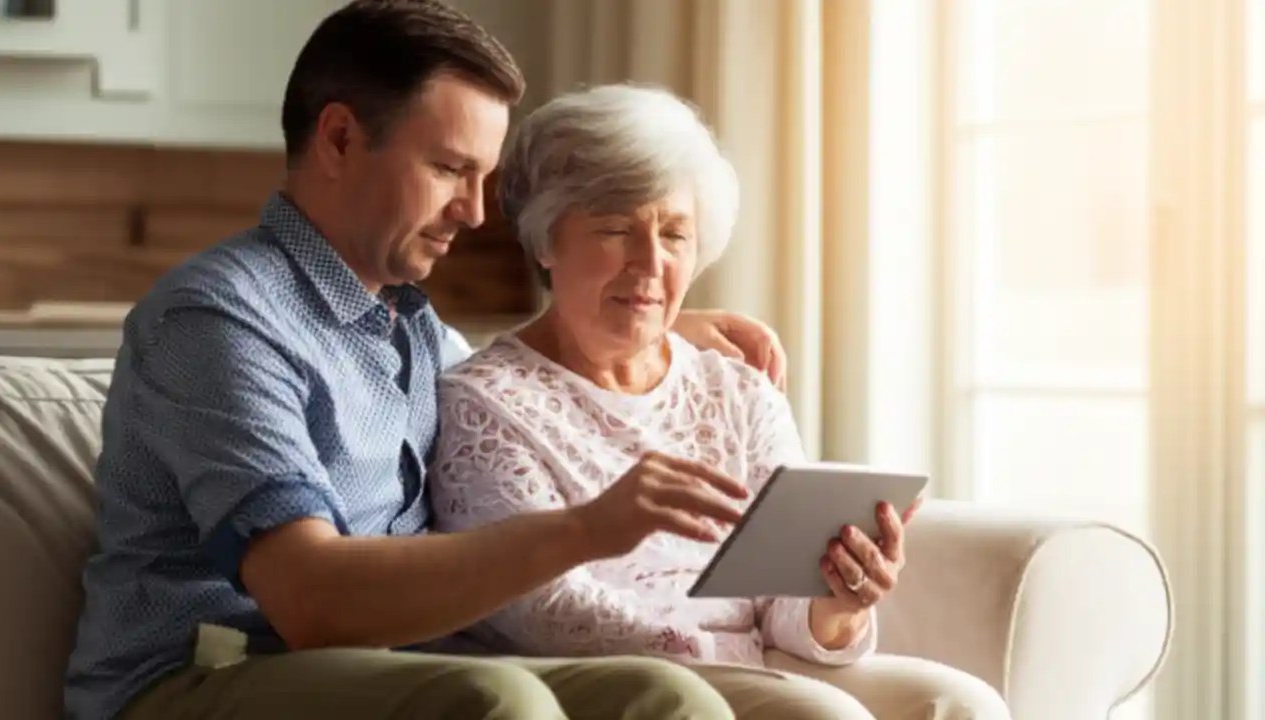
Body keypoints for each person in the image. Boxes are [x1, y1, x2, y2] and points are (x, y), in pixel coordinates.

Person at [63, 3, 788, 719]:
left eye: (483, 178)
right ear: (341, 139)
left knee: (663, 695)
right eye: (449, 169)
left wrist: (647, 321)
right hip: (209, 673)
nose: (475, 213)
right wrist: (583, 530)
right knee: (495, 699)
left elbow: (525, 374)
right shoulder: (219, 321)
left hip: (387, 670)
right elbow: (310, 599)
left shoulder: (410, 325)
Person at [430, 84, 1012, 720]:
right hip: (612, 679)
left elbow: (785, 606)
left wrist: (838, 605)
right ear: (546, 240)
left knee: (962, 703)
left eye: (676, 235)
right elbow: (537, 606)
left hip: (751, 665)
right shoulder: (485, 402)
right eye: (616, 229)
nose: (650, 263)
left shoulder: (737, 390)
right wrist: (714, 650)